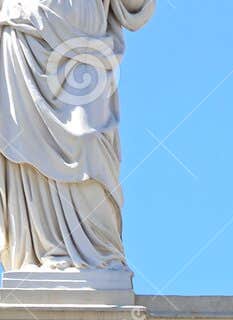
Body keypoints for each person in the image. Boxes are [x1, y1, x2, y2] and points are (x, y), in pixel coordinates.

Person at [0, 0, 154, 274]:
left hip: (84, 45)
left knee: (88, 142)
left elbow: (134, 7)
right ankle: (39, 256)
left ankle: (98, 256)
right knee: (25, 147)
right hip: (23, 35)